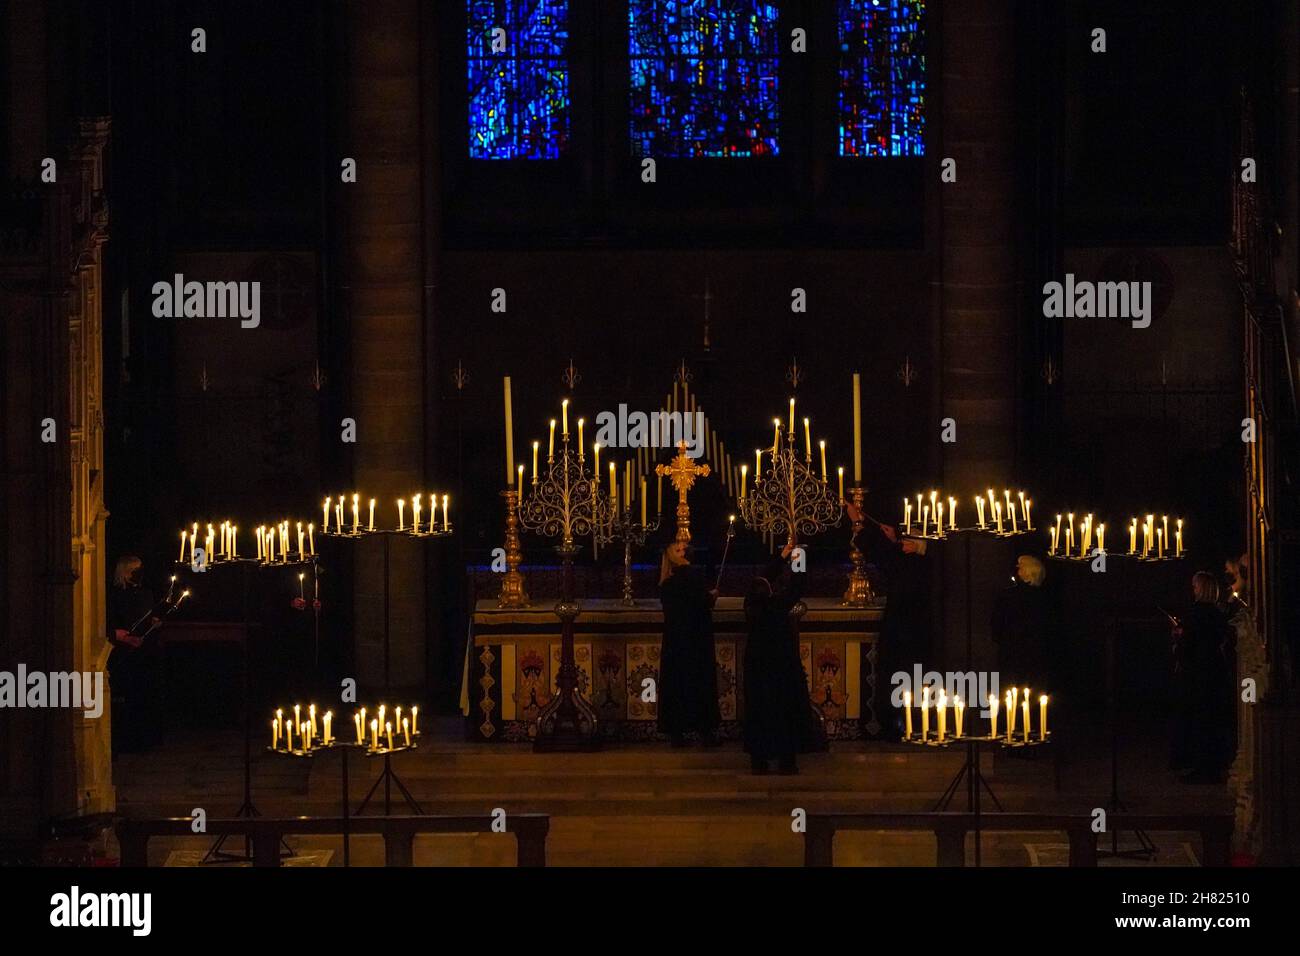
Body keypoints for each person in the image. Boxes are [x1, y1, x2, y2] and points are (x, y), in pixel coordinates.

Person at [847, 501, 929, 740]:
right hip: (914, 629)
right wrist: (892, 539)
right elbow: (889, 554)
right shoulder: (913, 563)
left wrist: (857, 523)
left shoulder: (908, 565)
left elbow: (881, 555)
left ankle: (898, 724)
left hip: (903, 630)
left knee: (898, 676)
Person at [743, 543, 825, 774]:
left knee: (759, 714)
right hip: (782, 669)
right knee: (785, 713)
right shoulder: (777, 606)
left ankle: (759, 761)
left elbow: (761, 578)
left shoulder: (751, 605)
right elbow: (797, 586)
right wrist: (798, 558)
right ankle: (786, 761)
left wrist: (780, 557)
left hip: (758, 671)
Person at [1170, 571, 1235, 783]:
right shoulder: (1218, 613)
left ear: (1202, 588)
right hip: (1215, 670)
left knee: (1199, 718)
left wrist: (1179, 637)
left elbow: (1189, 644)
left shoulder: (1196, 613)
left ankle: (1202, 768)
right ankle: (1212, 765)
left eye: (1196, 586)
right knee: (1211, 718)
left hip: (1198, 672)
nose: (1193, 590)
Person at [657, 540, 721, 747]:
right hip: (693, 639)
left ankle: (679, 732)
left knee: (680, 684)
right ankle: (703, 730)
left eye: (684, 548)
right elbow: (700, 601)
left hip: (679, 640)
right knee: (696, 683)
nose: (683, 550)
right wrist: (711, 597)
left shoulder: (669, 583)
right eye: (678, 549)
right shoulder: (688, 577)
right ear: (670, 557)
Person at [106, 555, 163, 752]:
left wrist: (154, 622)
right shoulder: (114, 594)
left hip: (144, 650)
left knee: (145, 694)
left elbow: (146, 615)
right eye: (134, 570)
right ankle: (128, 741)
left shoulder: (146, 593)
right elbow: (111, 620)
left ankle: (146, 740)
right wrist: (121, 637)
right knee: (127, 695)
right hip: (123, 652)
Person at [990, 555, 1053, 689]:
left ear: (1030, 571)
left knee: (1010, 688)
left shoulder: (1008, 596)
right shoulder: (1045, 597)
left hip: (1014, 650)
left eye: (1021, 566)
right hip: (1034, 650)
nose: (1017, 568)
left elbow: (997, 623)